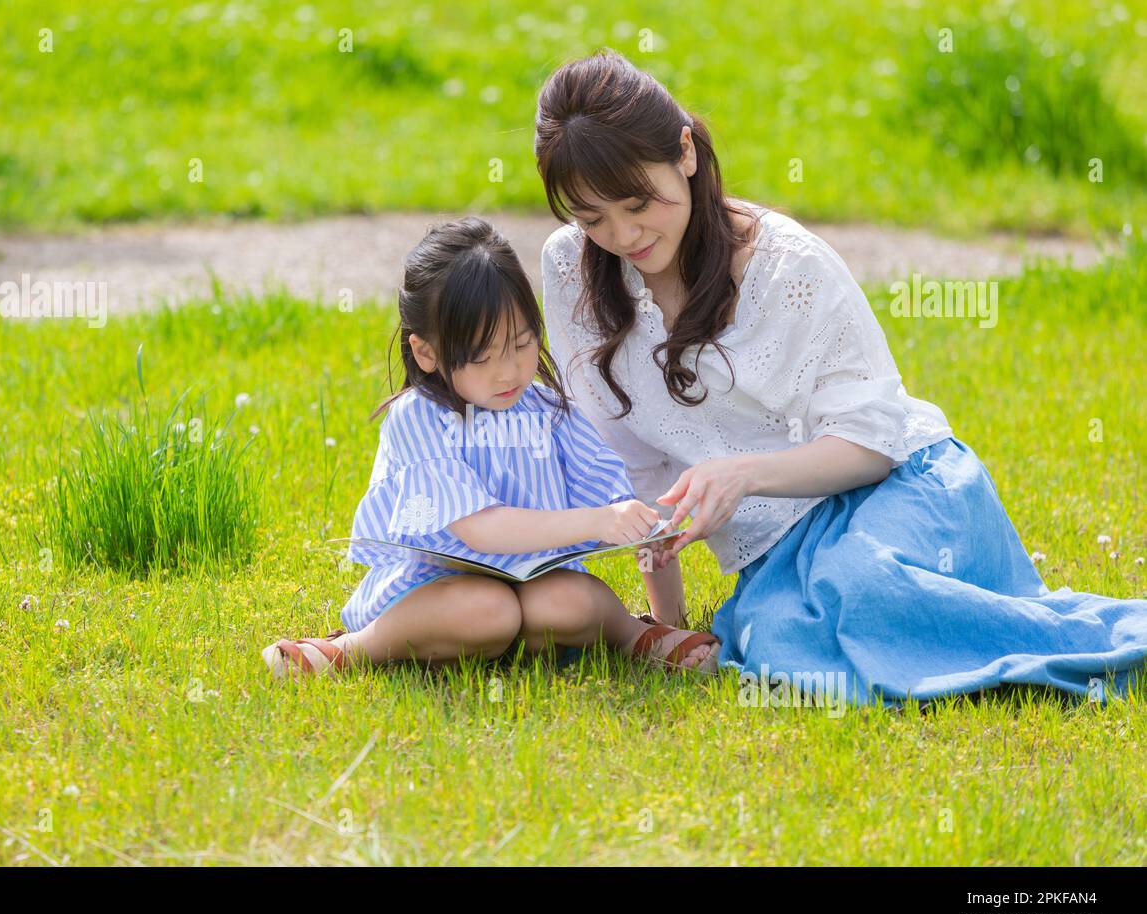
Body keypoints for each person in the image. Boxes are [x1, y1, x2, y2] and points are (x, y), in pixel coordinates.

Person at [534, 49, 1147, 707]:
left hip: (901, 486)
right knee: (767, 638)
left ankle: (1115, 640)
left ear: (685, 152)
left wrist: (744, 475)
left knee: (862, 588)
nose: (623, 235)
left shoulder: (787, 265)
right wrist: (669, 622)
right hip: (782, 550)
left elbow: (875, 443)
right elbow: (642, 471)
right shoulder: (572, 269)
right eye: (592, 218)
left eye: (635, 203)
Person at [262, 217, 722, 680]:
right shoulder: (420, 418)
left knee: (570, 601)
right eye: (483, 357)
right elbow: (480, 530)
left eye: (522, 344)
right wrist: (598, 520)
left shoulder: (547, 409)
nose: (509, 372)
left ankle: (636, 634)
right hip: (440, 594)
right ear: (427, 353)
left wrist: (644, 529)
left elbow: (612, 497)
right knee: (487, 611)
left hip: (539, 589)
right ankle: (353, 650)